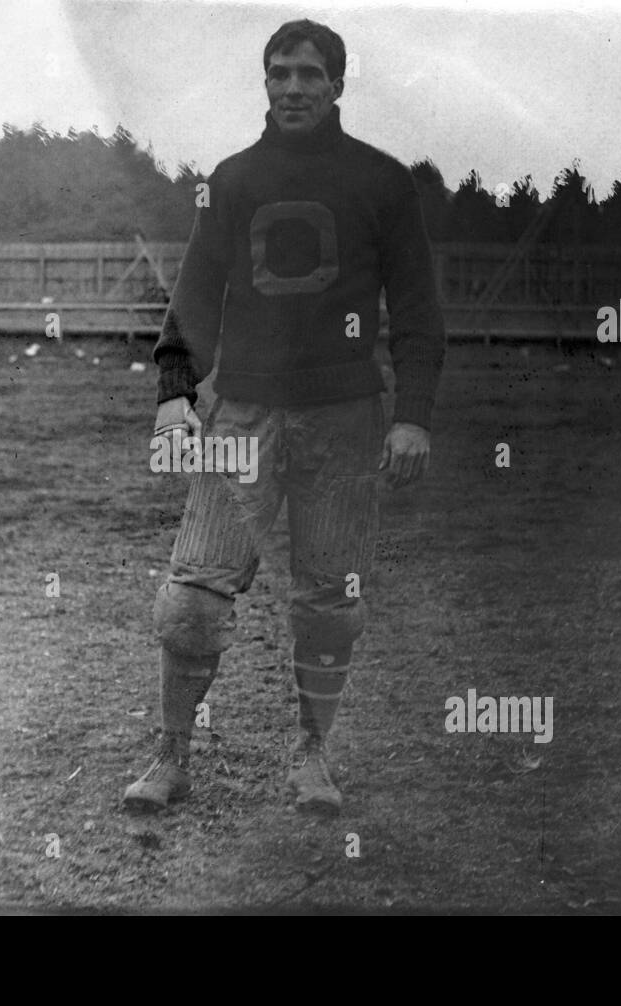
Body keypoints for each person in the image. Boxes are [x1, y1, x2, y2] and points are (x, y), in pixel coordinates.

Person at [123, 18, 446, 815]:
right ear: (264, 82)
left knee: (330, 604)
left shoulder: (382, 181)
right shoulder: (232, 181)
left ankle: (313, 753)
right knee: (193, 601)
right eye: (279, 73)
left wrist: (415, 417)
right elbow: (196, 293)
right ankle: (171, 756)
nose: (293, 87)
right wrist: (174, 394)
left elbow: (415, 307)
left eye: (310, 74)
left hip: (344, 419)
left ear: (338, 83)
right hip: (244, 416)